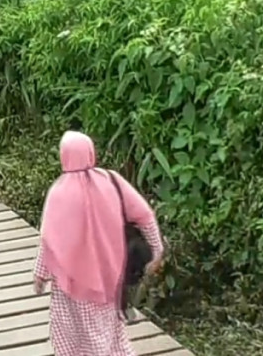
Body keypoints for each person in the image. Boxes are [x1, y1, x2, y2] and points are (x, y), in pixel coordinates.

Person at [33, 131, 165, 356]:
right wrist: (157, 249)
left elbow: (50, 241)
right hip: (109, 276)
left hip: (70, 283)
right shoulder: (111, 180)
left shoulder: (59, 193)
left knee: (70, 337)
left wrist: (40, 274)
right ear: (90, 153)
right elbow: (145, 216)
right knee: (110, 333)